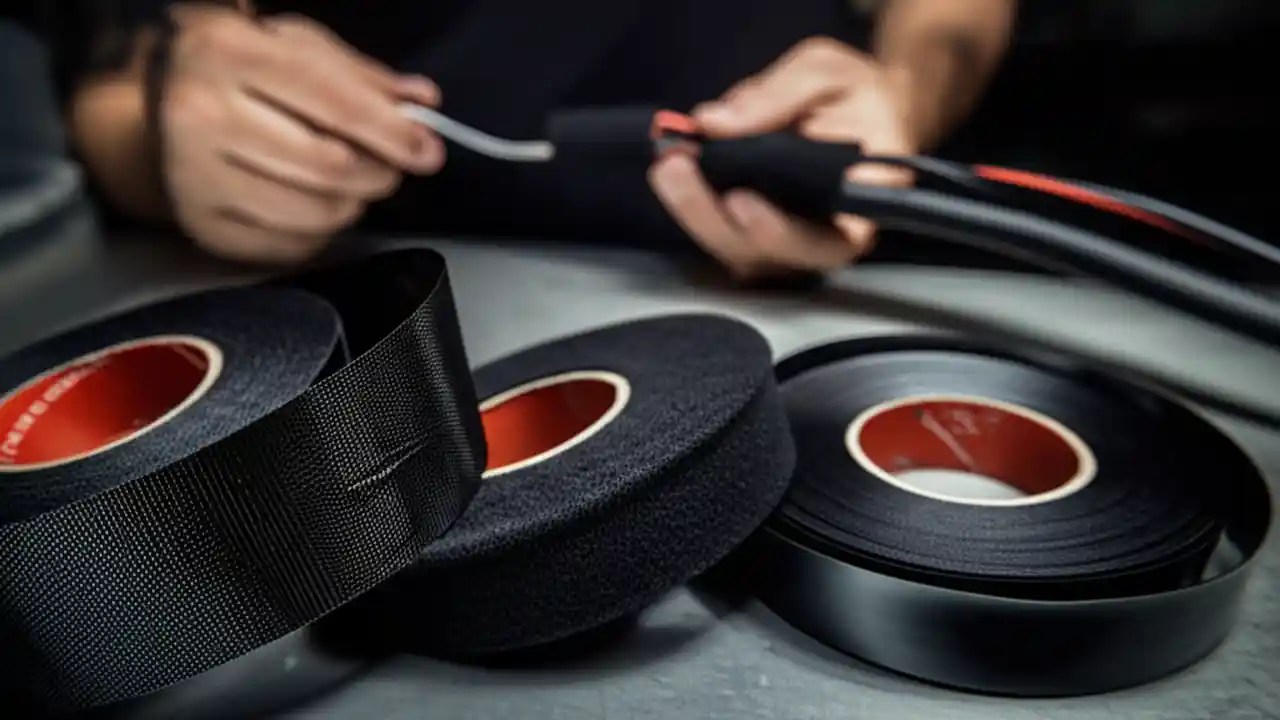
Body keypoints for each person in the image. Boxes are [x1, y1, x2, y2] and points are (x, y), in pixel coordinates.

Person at [14, 0, 1015, 276]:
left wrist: (896, 96)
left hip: (798, 278)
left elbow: (953, 16)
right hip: (340, 297)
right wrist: (170, 136)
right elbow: (111, 76)